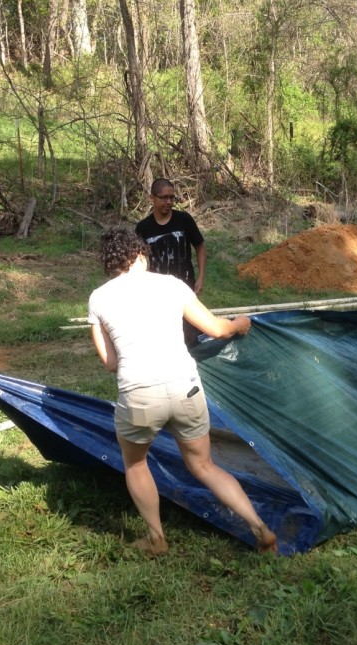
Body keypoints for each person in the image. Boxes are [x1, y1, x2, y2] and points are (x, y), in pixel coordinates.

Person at [87, 227, 277, 556]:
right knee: (204, 466)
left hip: (140, 394)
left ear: (110, 264)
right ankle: (259, 528)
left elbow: (109, 362)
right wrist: (239, 324)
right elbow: (217, 329)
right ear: (140, 254)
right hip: (184, 388)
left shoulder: (99, 298)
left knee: (135, 464)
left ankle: (156, 538)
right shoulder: (172, 285)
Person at [135, 178, 207, 346]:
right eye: (164, 197)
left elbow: (200, 247)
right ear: (152, 198)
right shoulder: (143, 228)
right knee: (162, 340)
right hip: (156, 294)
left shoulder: (184, 220)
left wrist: (201, 276)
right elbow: (137, 260)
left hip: (186, 290)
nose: (169, 202)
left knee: (190, 338)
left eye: (172, 198)